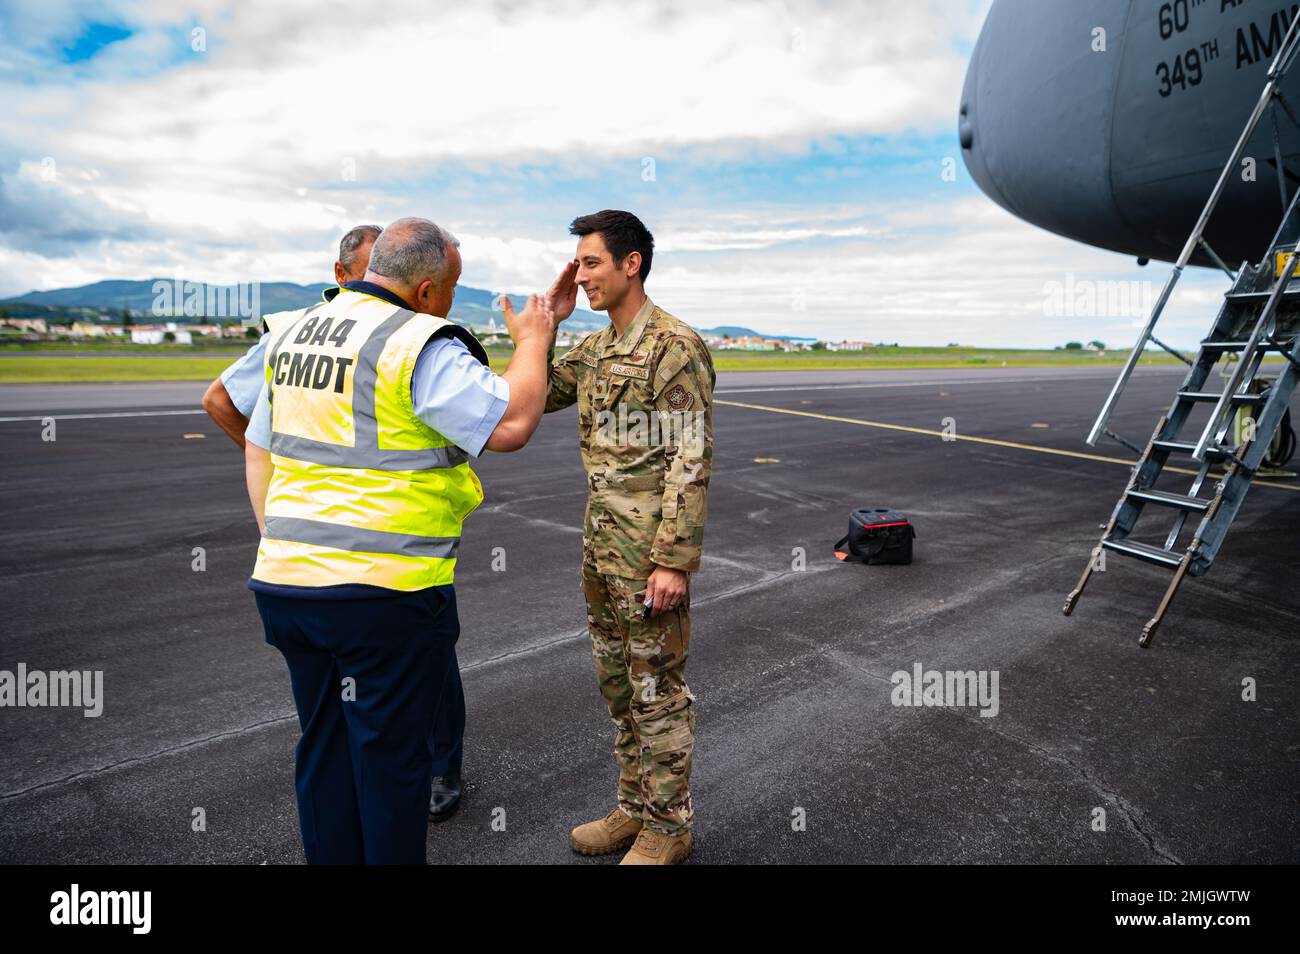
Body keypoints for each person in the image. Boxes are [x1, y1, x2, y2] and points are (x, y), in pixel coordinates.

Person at [243, 216, 554, 863]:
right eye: (448, 290)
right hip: (384, 597)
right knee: (391, 768)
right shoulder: (415, 342)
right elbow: (514, 421)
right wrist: (534, 339)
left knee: (324, 750)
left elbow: (255, 439)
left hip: (287, 587)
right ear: (425, 292)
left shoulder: (291, 333)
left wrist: (281, 539)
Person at [204, 223, 469, 821]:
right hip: (365, 568)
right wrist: (295, 486)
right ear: (343, 275)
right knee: (371, 727)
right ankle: (417, 776)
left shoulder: (405, 338)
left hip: (367, 561)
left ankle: (440, 766)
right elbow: (227, 405)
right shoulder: (298, 333)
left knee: (416, 673)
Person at [537, 210, 714, 865]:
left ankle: (669, 827)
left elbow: (689, 459)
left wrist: (672, 561)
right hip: (600, 551)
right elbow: (528, 395)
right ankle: (634, 808)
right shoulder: (594, 349)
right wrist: (546, 326)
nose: (578, 275)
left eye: (590, 263)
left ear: (630, 263)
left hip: (647, 559)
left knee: (655, 691)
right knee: (618, 686)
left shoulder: (674, 346)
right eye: (577, 264)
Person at [202, 224, 382, 447]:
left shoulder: (401, 334)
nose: (380, 289)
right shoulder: (289, 330)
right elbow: (218, 400)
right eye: (367, 278)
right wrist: (264, 461)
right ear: (340, 273)